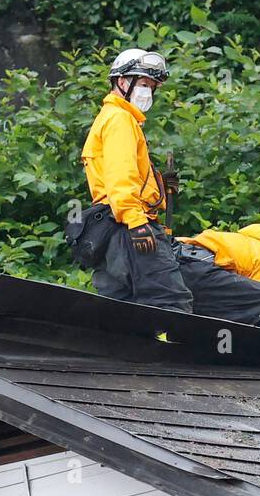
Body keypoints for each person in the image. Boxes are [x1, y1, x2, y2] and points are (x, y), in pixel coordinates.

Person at [80, 47, 192, 311]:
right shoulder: (120, 120)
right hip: (129, 224)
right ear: (122, 81)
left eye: (152, 87)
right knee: (171, 299)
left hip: (111, 226)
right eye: (143, 83)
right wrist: (136, 222)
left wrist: (160, 188)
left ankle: (118, 352)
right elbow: (121, 175)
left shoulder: (110, 118)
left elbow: (124, 175)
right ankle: (171, 351)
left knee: (122, 305)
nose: (148, 92)